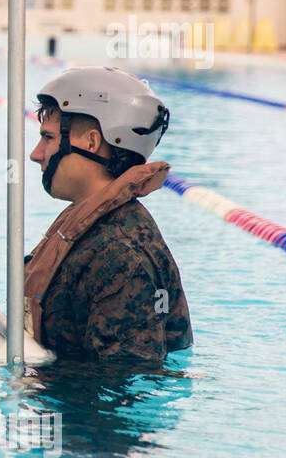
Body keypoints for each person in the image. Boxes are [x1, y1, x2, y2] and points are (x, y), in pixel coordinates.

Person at [23, 66, 192, 362]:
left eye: (47, 138)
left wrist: (30, 382)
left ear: (91, 141)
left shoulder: (120, 254)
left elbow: (123, 387)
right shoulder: (90, 225)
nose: (36, 154)